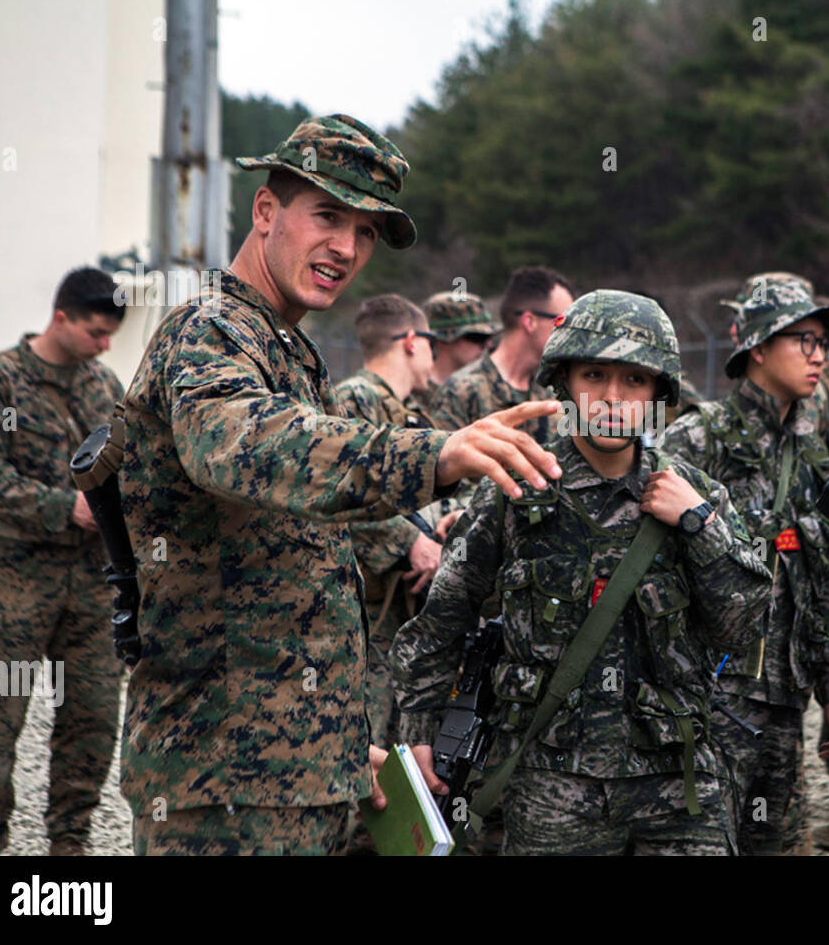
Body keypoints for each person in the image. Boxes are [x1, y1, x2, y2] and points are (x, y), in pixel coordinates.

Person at [118, 114, 561, 855]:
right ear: (266, 211)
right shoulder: (211, 330)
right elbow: (243, 448)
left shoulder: (285, 350)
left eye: (365, 232)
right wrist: (435, 455)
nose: (347, 248)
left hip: (291, 770)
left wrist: (339, 744)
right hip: (222, 784)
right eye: (327, 216)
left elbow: (289, 573)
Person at [395, 289, 771, 855]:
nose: (612, 398)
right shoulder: (516, 488)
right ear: (565, 383)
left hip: (678, 786)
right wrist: (420, 732)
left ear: (658, 392)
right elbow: (442, 618)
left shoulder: (697, 495)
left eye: (634, 380)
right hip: (551, 787)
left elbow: (744, 628)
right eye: (595, 375)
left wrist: (700, 524)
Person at [660, 280, 829, 854]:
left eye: (823, 343)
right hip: (711, 698)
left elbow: (822, 578)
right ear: (759, 348)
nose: (818, 355)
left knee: (777, 844)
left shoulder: (810, 447)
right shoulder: (700, 437)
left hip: (785, 702)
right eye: (803, 340)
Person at [0, 266, 126, 855]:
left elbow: (129, 464)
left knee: (93, 718)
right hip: (17, 580)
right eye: (96, 332)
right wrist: (64, 508)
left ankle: (70, 844)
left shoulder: (105, 386)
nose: (104, 346)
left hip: (94, 586)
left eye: (110, 336)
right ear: (61, 319)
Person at [335, 294, 444, 753]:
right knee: (367, 743)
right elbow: (337, 492)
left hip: (399, 613)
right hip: (366, 614)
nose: (436, 357)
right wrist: (410, 543)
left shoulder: (407, 413)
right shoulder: (355, 399)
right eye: (433, 343)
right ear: (413, 342)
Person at [435, 265, 575, 439]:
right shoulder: (461, 392)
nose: (570, 332)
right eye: (562, 321)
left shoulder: (553, 392)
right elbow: (445, 454)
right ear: (530, 322)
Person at [409, 289, 499, 413]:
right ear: (443, 338)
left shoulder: (493, 387)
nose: (487, 345)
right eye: (477, 337)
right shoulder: (413, 391)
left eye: (489, 337)